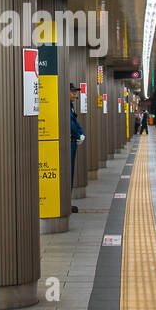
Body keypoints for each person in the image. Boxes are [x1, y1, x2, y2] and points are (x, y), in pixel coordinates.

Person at [69, 83, 85, 213]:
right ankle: (65, 202)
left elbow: (75, 122)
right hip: (69, 142)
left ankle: (67, 201)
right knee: (68, 171)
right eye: (73, 92)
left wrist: (81, 133)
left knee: (71, 171)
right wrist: (78, 134)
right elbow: (70, 123)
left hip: (73, 141)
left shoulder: (71, 106)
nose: (75, 94)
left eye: (76, 92)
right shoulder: (65, 106)